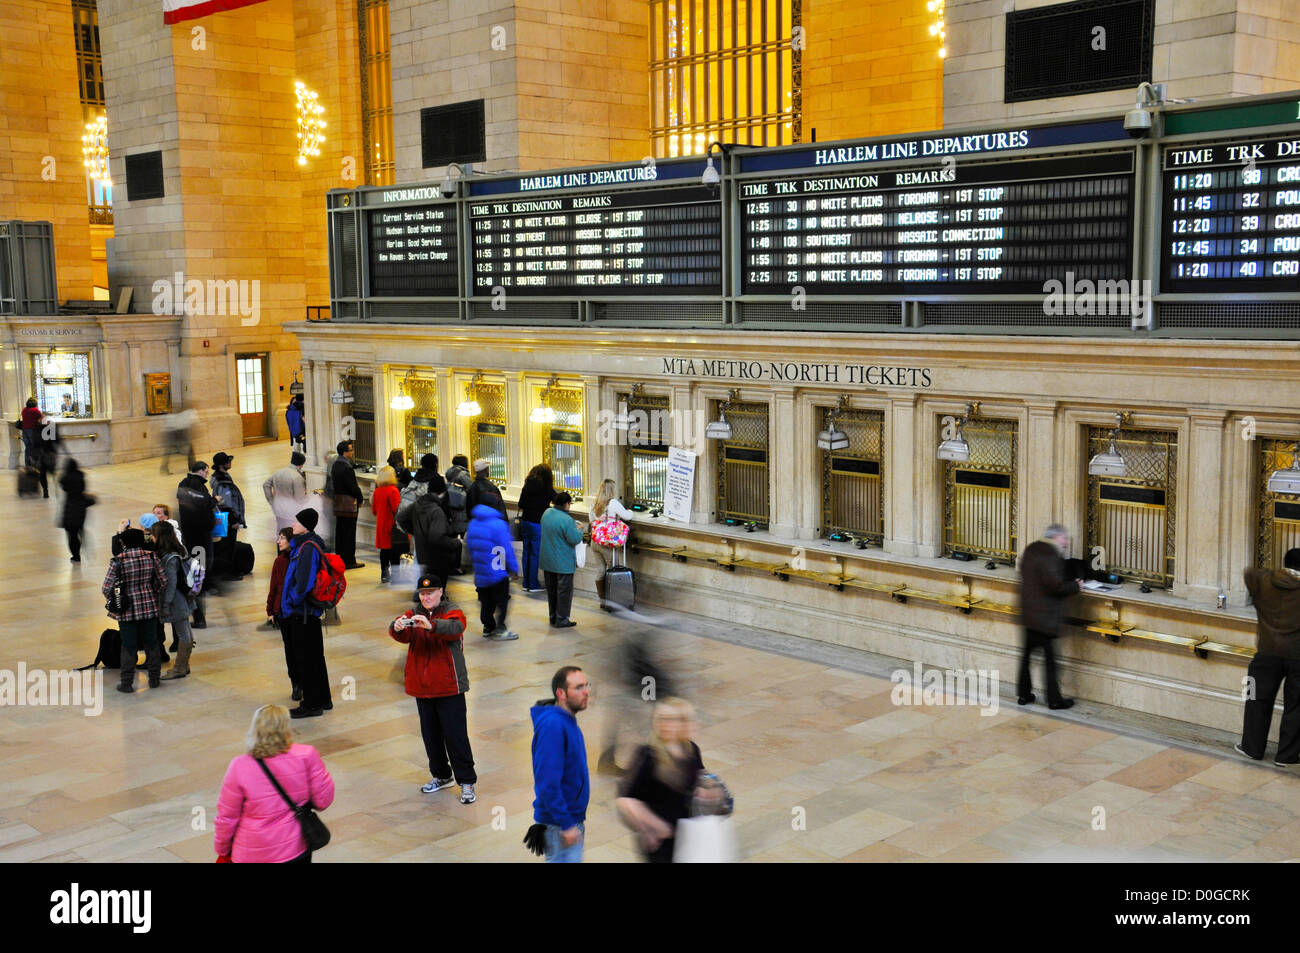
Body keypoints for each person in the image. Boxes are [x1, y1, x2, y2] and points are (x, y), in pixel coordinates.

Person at [388, 575, 477, 804]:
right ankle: (441, 775)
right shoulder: (413, 613)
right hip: (423, 688)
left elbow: (456, 628)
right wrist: (396, 626)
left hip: (449, 687)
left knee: (456, 736)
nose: (425, 597)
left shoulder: (452, 611)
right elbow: (402, 634)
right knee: (431, 736)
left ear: (441, 592)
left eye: (430, 593)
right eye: (422, 593)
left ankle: (466, 781)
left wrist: (431, 625)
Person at [214, 704, 335, 863]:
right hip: (295, 849)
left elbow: (227, 817)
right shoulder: (306, 755)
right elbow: (323, 800)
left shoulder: (239, 766)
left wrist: (222, 848)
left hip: (251, 853)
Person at [615, 698, 708, 863]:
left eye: (670, 719)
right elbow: (626, 798)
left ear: (683, 722)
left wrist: (708, 792)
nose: (663, 723)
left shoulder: (691, 749)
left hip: (688, 833)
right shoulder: (647, 755)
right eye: (660, 718)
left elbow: (701, 778)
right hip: (659, 840)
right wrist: (654, 826)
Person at [1237, 550, 1300, 765]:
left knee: (1254, 697)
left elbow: (1249, 572)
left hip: (1264, 654)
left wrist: (1275, 574)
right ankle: (1287, 756)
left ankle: (1251, 748)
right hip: (1298, 657)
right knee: (1296, 705)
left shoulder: (1264, 583)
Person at [1017, 523, 1082, 710]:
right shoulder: (1050, 555)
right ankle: (1054, 700)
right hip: (1045, 618)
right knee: (1051, 661)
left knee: (1026, 657)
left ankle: (1023, 695)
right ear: (1055, 537)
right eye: (1065, 538)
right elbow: (1057, 586)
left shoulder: (1032, 548)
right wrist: (1076, 586)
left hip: (1029, 615)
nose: (1066, 543)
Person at [531, 665, 591, 862]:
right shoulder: (554, 726)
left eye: (586, 685)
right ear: (561, 693)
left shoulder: (565, 720)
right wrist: (566, 824)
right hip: (560, 823)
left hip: (567, 819)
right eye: (579, 687)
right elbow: (547, 783)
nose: (586, 692)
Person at [281, 508, 332, 718]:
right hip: (307, 612)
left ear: (305, 526)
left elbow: (304, 583)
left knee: (306, 659)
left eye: (297, 522)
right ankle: (324, 699)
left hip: (302, 612)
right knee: (315, 657)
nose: (293, 525)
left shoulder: (308, 548)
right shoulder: (307, 544)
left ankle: (311, 704)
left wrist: (292, 601)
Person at [102, 526, 165, 693]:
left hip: (126, 611)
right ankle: (154, 679)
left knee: (128, 646)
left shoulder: (118, 561)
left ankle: (127, 683)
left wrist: (115, 598)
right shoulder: (151, 557)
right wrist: (152, 592)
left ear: (124, 542)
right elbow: (163, 581)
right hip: (150, 607)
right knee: (152, 643)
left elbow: (106, 588)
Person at [466, 502, 520, 640]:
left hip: (480, 571)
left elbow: (470, 547)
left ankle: (488, 627)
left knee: (486, 602)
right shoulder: (498, 524)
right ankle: (500, 628)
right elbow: (505, 549)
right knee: (502, 601)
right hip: (497, 571)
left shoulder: (472, 523)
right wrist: (513, 568)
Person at [177, 460, 219, 624]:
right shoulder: (197, 485)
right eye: (206, 472)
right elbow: (204, 502)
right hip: (199, 539)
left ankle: (198, 615)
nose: (207, 475)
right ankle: (199, 618)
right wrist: (214, 500)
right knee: (198, 575)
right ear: (200, 471)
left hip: (190, 537)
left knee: (196, 574)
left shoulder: (183, 484)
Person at [153, 520, 196, 680]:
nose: (152, 538)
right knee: (186, 634)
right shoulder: (179, 550)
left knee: (184, 634)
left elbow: (170, 584)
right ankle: (184, 665)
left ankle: (179, 668)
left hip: (176, 600)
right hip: (183, 596)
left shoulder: (169, 558)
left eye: (153, 535)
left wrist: (165, 605)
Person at [540, 493, 585, 629]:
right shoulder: (567, 519)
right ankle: (562, 619)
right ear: (566, 504)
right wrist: (580, 530)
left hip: (548, 560)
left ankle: (553, 616)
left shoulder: (546, 513)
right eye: (570, 503)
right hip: (563, 562)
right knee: (564, 591)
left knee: (552, 590)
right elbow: (574, 539)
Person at [266, 528, 300, 701]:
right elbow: (274, 586)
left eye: (282, 538)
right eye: (278, 538)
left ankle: (301, 682)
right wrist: (270, 610)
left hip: (296, 611)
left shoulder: (298, 559)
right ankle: (295, 683)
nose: (279, 541)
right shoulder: (279, 561)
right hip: (282, 612)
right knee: (290, 650)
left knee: (297, 648)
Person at [590, 478, 634, 610]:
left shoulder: (594, 503)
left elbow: (591, 520)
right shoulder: (613, 503)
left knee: (600, 571)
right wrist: (631, 511)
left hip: (595, 542)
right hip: (608, 544)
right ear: (611, 490)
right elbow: (627, 516)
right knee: (612, 570)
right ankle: (613, 602)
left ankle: (603, 601)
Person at [411, 474, 460, 586]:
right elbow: (437, 538)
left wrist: (417, 532)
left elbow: (402, 518)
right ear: (442, 491)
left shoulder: (418, 505)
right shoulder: (437, 510)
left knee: (427, 586)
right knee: (437, 586)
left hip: (422, 553)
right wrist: (456, 542)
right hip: (438, 557)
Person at [517, 464, 556, 593]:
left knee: (526, 552)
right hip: (537, 523)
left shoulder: (528, 484)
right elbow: (557, 499)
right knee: (535, 554)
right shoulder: (546, 486)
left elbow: (520, 503)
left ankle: (526, 583)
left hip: (525, 521)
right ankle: (533, 584)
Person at [210, 451, 247, 579]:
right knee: (228, 546)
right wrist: (234, 521)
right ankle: (227, 572)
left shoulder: (219, 476)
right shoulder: (222, 481)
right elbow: (226, 503)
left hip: (224, 517)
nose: (230, 463)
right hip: (229, 518)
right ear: (221, 465)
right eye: (227, 461)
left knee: (226, 544)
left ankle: (225, 570)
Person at [330, 441, 365, 569]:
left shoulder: (335, 465)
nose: (352, 452)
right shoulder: (346, 468)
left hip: (339, 502)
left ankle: (340, 558)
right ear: (344, 452)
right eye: (350, 450)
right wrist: (360, 499)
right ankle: (349, 560)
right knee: (349, 533)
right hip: (349, 504)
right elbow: (353, 488)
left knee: (340, 532)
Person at [263, 451, 309, 532]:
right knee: (291, 533)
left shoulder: (278, 472)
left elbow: (266, 485)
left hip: (278, 508)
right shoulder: (297, 477)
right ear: (301, 465)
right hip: (291, 511)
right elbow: (300, 499)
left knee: (280, 531)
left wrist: (272, 501)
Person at [372, 465, 403, 584]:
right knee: (395, 552)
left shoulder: (377, 491)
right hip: (392, 525)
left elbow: (374, 510)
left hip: (381, 525)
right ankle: (396, 576)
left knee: (384, 551)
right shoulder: (393, 490)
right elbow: (397, 509)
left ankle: (384, 574)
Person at [59, 458, 92, 562]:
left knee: (71, 535)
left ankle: (76, 555)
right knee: (78, 529)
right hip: (81, 507)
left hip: (70, 508)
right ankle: (81, 542)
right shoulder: (81, 476)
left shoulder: (65, 478)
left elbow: (62, 485)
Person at [444, 454, 474, 537]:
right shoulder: (463, 474)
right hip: (461, 504)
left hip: (451, 502)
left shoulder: (449, 472)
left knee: (454, 527)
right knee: (463, 529)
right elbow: (471, 488)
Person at [19, 397, 42, 469]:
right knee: (35, 448)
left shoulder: (24, 410)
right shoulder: (36, 410)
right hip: (32, 431)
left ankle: (28, 465)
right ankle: (35, 465)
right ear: (35, 403)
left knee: (28, 448)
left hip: (24, 431)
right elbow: (42, 420)